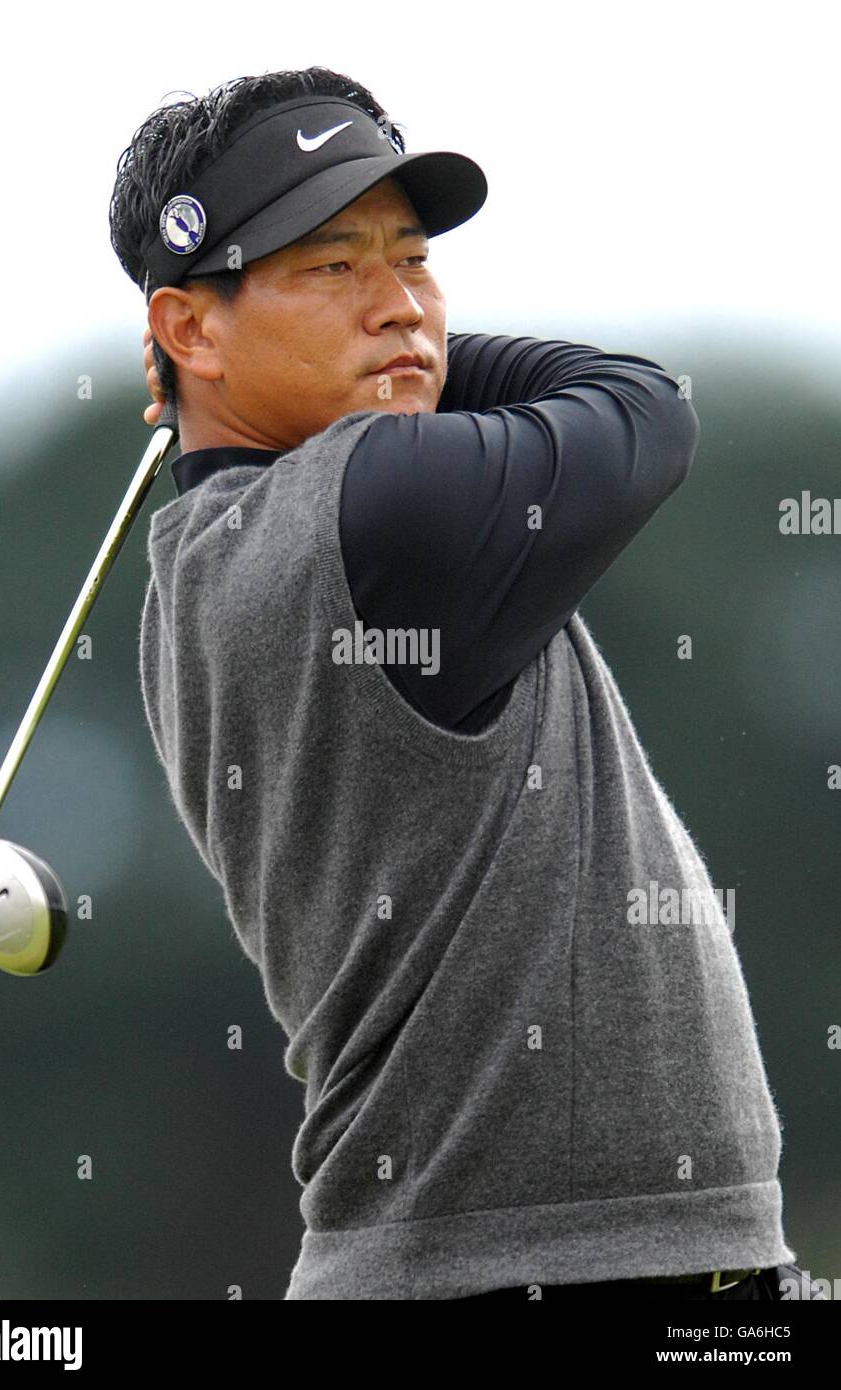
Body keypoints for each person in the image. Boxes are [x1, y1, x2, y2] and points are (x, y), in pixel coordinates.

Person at [111, 66, 811, 1300]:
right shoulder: (379, 512)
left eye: (414, 261)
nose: (398, 304)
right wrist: (413, 358)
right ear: (190, 327)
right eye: (330, 267)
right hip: (548, 1265)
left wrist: (381, 347)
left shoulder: (216, 556)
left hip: (529, 1260)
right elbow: (641, 410)